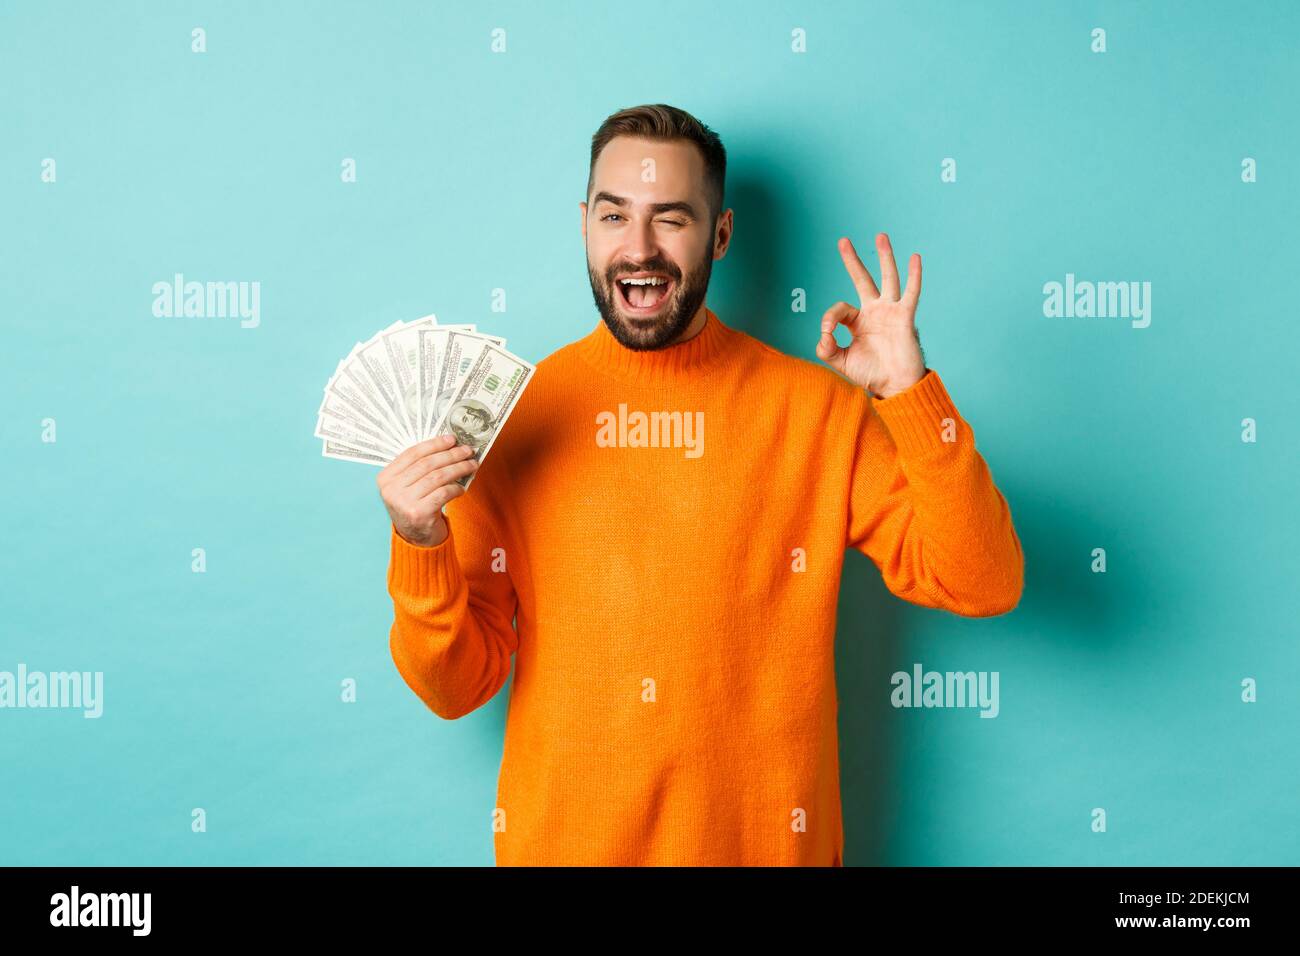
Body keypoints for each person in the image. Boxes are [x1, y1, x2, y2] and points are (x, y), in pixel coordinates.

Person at [376, 103, 1024, 866]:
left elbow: (983, 580)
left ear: (720, 235)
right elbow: (455, 688)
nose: (638, 249)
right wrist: (419, 543)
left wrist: (909, 394)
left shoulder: (817, 412)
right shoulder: (513, 418)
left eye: (671, 219)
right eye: (615, 216)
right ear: (585, 224)